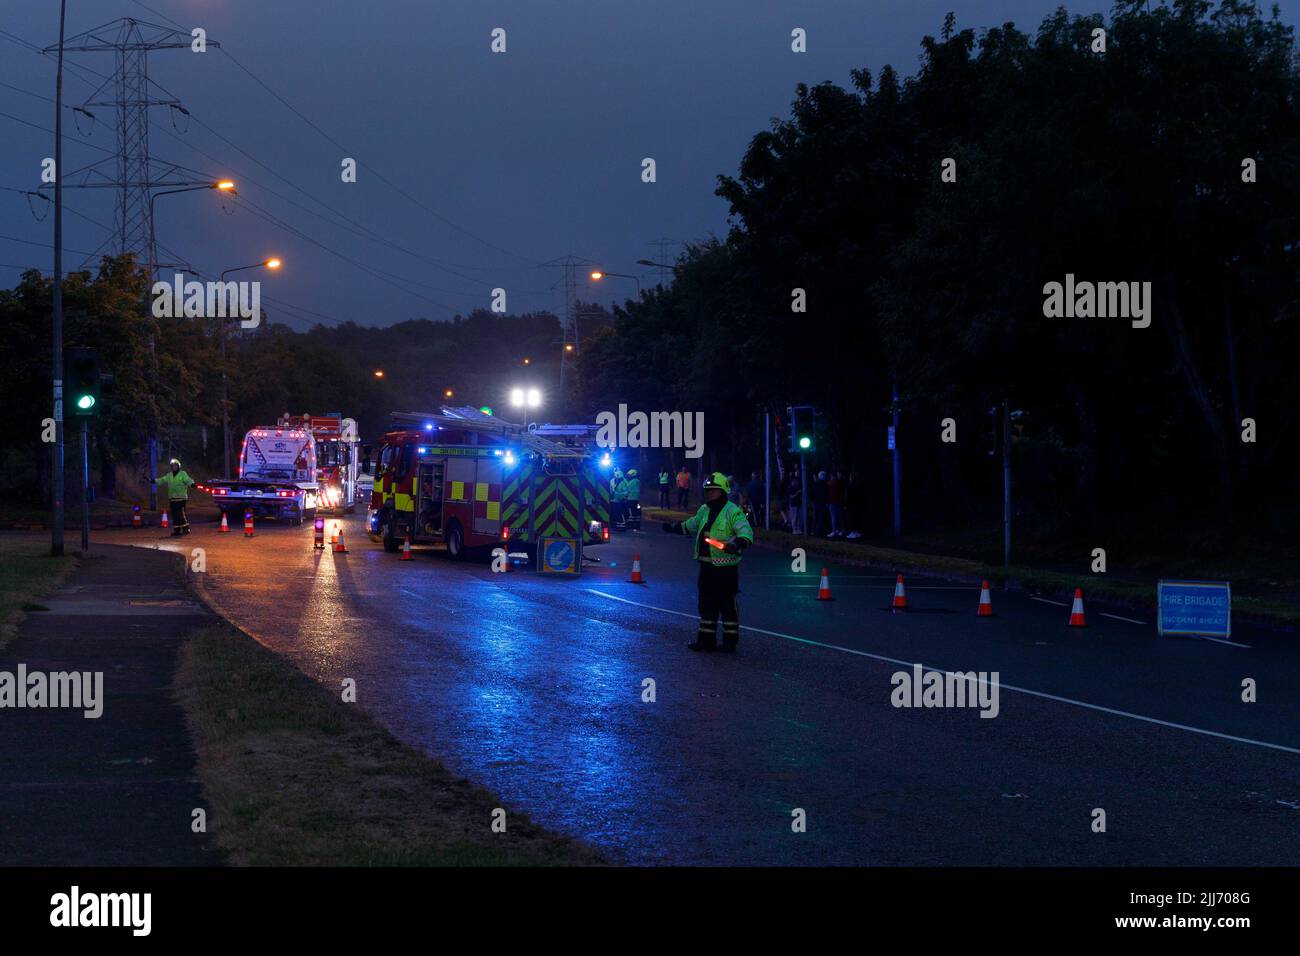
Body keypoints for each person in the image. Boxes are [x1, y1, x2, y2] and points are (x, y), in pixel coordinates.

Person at [663, 472, 754, 652]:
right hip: (706, 568)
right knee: (706, 605)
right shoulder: (705, 510)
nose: (710, 494)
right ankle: (706, 641)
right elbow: (692, 525)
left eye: (713, 491)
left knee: (727, 606)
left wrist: (737, 543)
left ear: (723, 491)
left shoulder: (732, 511)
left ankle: (729, 642)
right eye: (708, 491)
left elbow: (746, 532)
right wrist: (673, 527)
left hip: (726, 569)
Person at [146, 458, 196, 536]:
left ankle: (186, 529)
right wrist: (151, 480)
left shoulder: (183, 474)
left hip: (181, 498)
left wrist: (192, 484)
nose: (173, 467)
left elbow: (188, 480)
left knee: (180, 513)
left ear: (178, 466)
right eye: (172, 466)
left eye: (175, 466)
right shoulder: (169, 475)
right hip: (172, 499)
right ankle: (177, 530)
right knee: (175, 515)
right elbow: (161, 480)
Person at [827, 471, 845, 537]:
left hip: (832, 502)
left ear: (831, 476)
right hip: (839, 501)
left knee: (833, 517)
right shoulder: (840, 482)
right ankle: (842, 530)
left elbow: (828, 493)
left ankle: (834, 531)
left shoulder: (829, 483)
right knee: (840, 517)